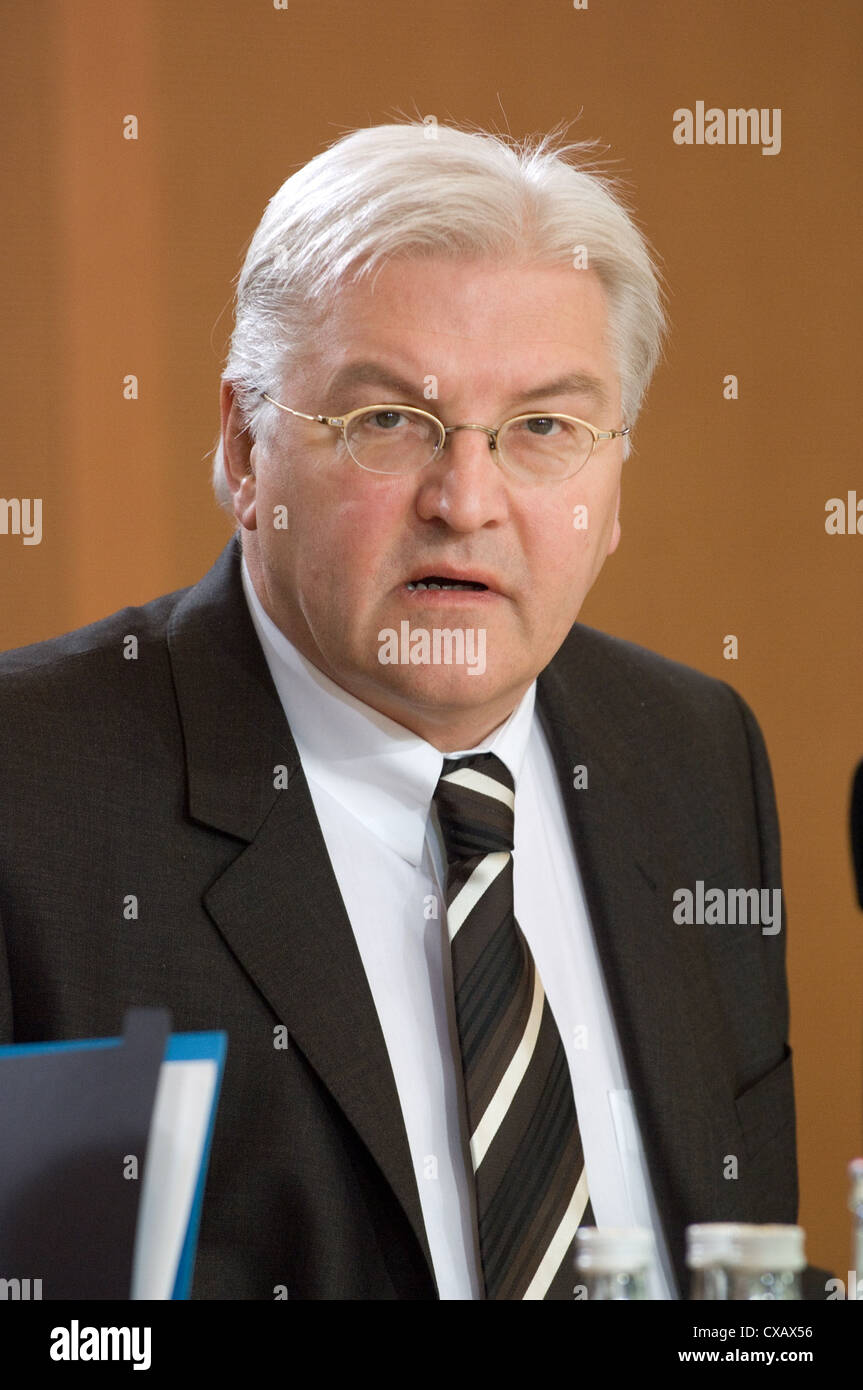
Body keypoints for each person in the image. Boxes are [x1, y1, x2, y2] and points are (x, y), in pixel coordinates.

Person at [0, 121, 816, 1299]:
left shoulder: (692, 755)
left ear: (613, 476)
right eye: (388, 420)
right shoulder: (33, 791)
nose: (465, 499)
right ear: (244, 445)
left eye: (544, 428)